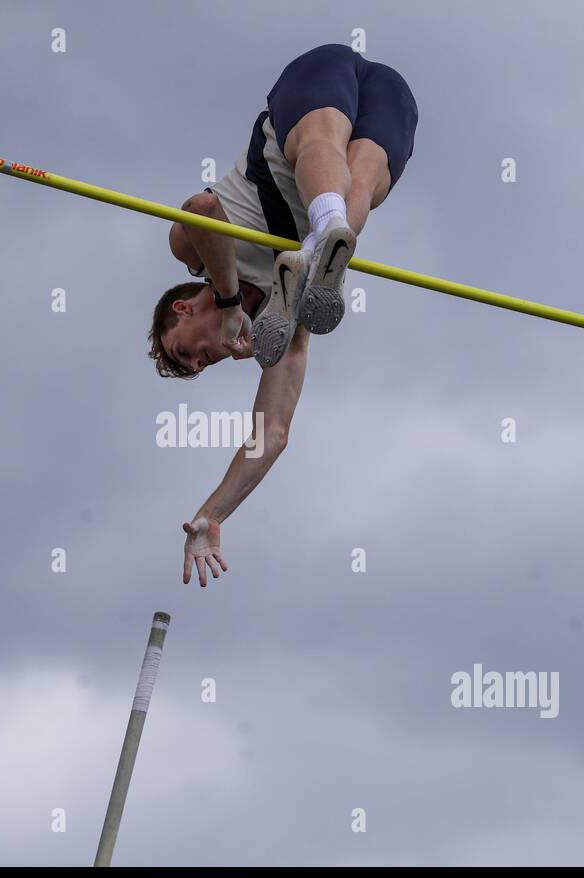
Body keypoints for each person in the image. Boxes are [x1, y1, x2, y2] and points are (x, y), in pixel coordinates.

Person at [148, 43, 419, 587]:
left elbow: (200, 210)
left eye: (185, 350)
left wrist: (227, 303)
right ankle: (329, 241)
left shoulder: (193, 253)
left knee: (316, 145)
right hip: (395, 103)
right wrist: (212, 515)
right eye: (199, 368)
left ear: (182, 306)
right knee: (358, 181)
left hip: (316, 84)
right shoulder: (283, 321)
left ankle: (327, 235)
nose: (203, 362)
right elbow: (271, 432)